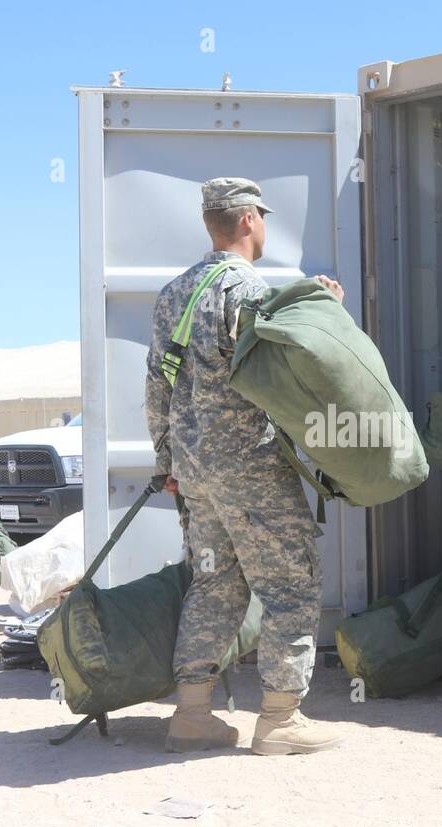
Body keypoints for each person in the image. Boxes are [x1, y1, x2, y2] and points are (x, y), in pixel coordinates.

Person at [145, 177, 344, 755]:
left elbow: (157, 384)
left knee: (215, 582)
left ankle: (192, 713)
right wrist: (323, 309)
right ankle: (280, 719)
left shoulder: (172, 294)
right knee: (290, 581)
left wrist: (168, 461)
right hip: (249, 465)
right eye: (263, 217)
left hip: (195, 469)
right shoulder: (249, 292)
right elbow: (291, 376)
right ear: (250, 220)